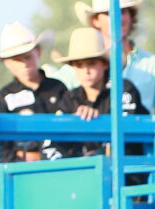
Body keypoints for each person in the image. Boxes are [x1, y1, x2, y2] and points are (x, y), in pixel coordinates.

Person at [53, 26, 147, 158]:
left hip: (125, 172)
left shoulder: (124, 90)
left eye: (91, 63)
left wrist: (96, 121)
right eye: (79, 65)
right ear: (73, 67)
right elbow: (52, 143)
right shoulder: (69, 98)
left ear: (105, 64)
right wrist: (73, 122)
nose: (86, 71)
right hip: (81, 173)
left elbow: (126, 135)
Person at [75, 0, 155, 113]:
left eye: (123, 12)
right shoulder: (73, 70)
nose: (118, 18)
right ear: (96, 21)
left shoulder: (154, 66)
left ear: (131, 16)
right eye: (109, 13)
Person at [0, 22, 66, 161]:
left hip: (61, 163)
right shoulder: (2, 98)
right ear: (7, 62)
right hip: (20, 172)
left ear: (38, 52)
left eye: (27, 57)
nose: (24, 64)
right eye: (16, 60)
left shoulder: (58, 88)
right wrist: (21, 159)